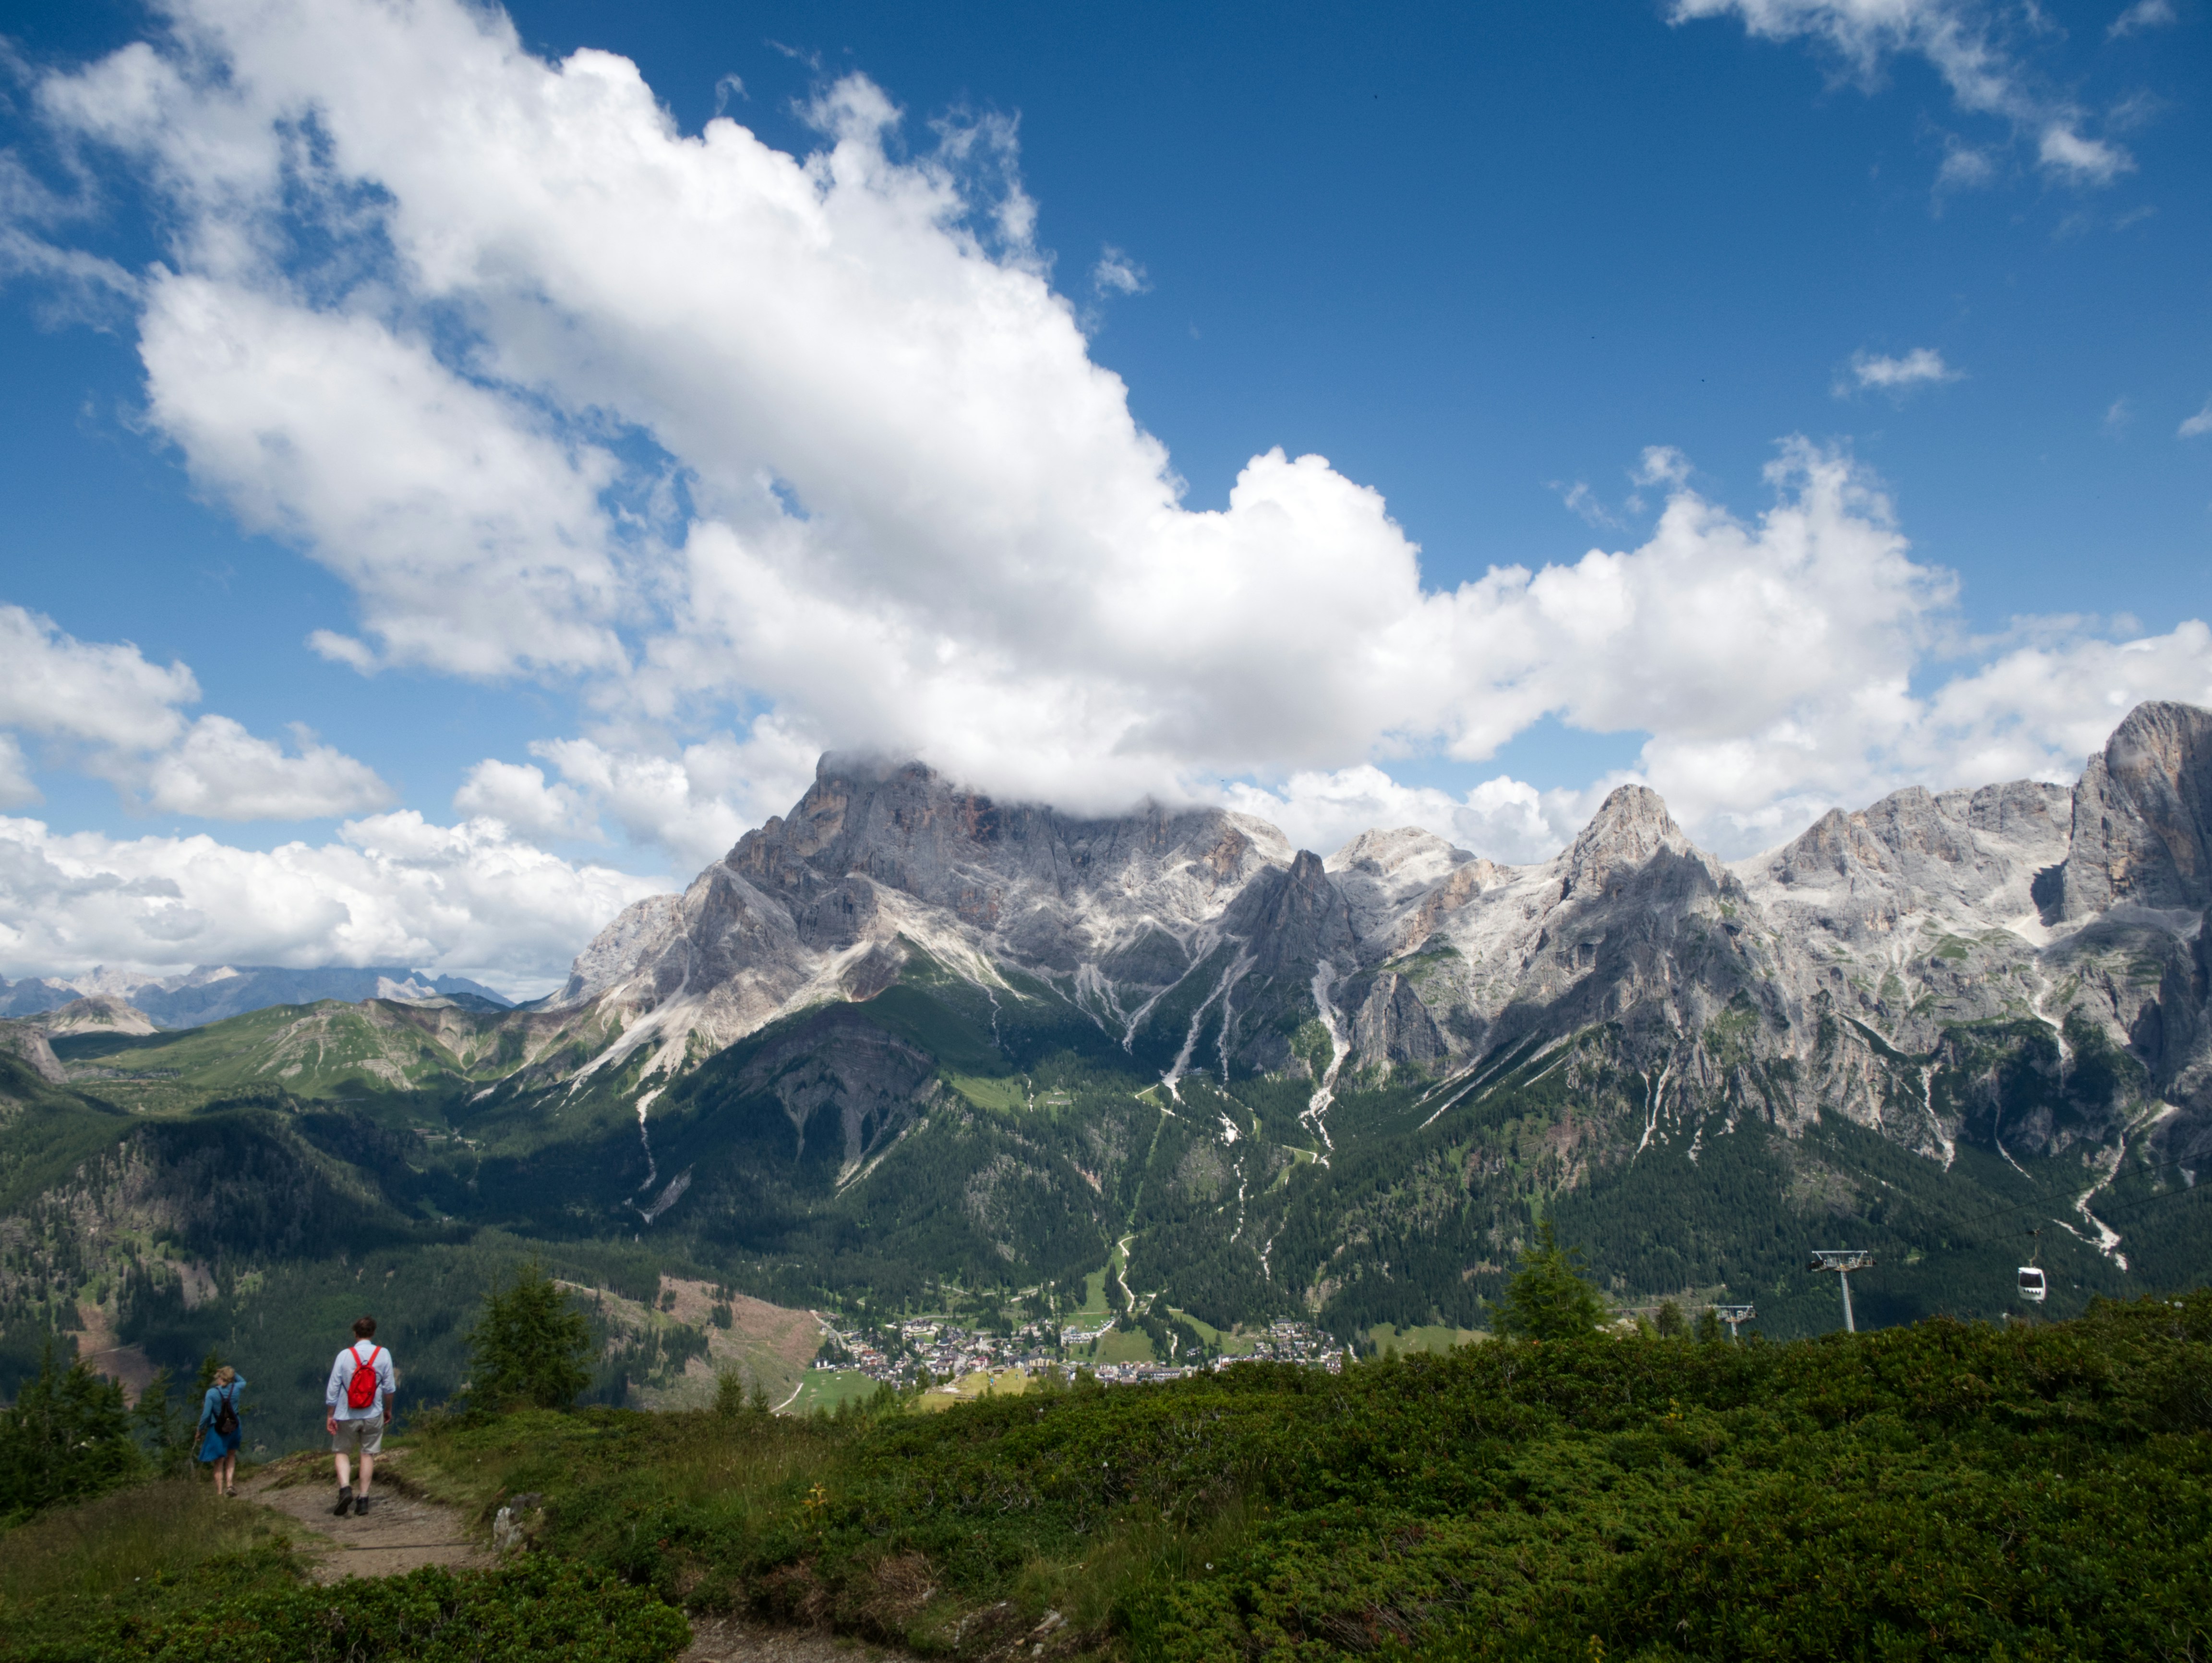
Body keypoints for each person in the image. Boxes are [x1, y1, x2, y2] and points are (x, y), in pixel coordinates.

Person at [325, 1315, 397, 1518]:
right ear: (373, 1334)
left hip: (346, 1413)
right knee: (367, 1454)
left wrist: (331, 1415)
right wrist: (387, 1409)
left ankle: (346, 1488)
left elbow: (333, 1390)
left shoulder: (345, 1356)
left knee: (342, 1452)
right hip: (373, 1412)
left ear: (355, 1334)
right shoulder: (383, 1354)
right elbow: (389, 1388)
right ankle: (363, 1500)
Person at [197, 1364, 245, 1497]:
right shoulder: (236, 1389)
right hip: (235, 1428)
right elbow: (243, 1381)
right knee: (231, 1455)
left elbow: (206, 1415)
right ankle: (230, 1485)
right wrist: (231, 1372)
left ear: (220, 1378)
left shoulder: (212, 1393)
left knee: (219, 1461)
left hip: (217, 1429)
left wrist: (200, 1430)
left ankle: (219, 1492)